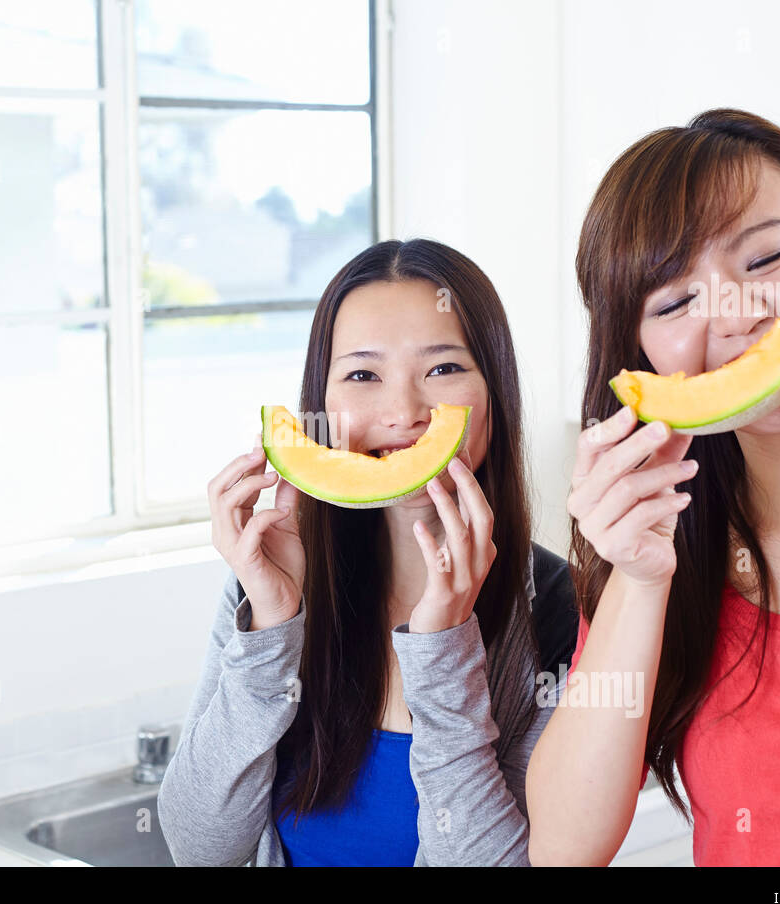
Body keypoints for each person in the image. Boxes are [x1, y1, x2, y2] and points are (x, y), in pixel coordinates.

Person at [527, 108, 780, 866]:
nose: (739, 315)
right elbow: (564, 847)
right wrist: (641, 577)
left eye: (769, 258)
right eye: (675, 302)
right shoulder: (646, 562)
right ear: (643, 359)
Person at [157, 238, 578, 866]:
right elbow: (201, 850)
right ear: (320, 407)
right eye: (362, 374)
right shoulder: (273, 584)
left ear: (496, 394)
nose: (404, 413)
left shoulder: (565, 614)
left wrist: (444, 650)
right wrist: (273, 625)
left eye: (442, 370)